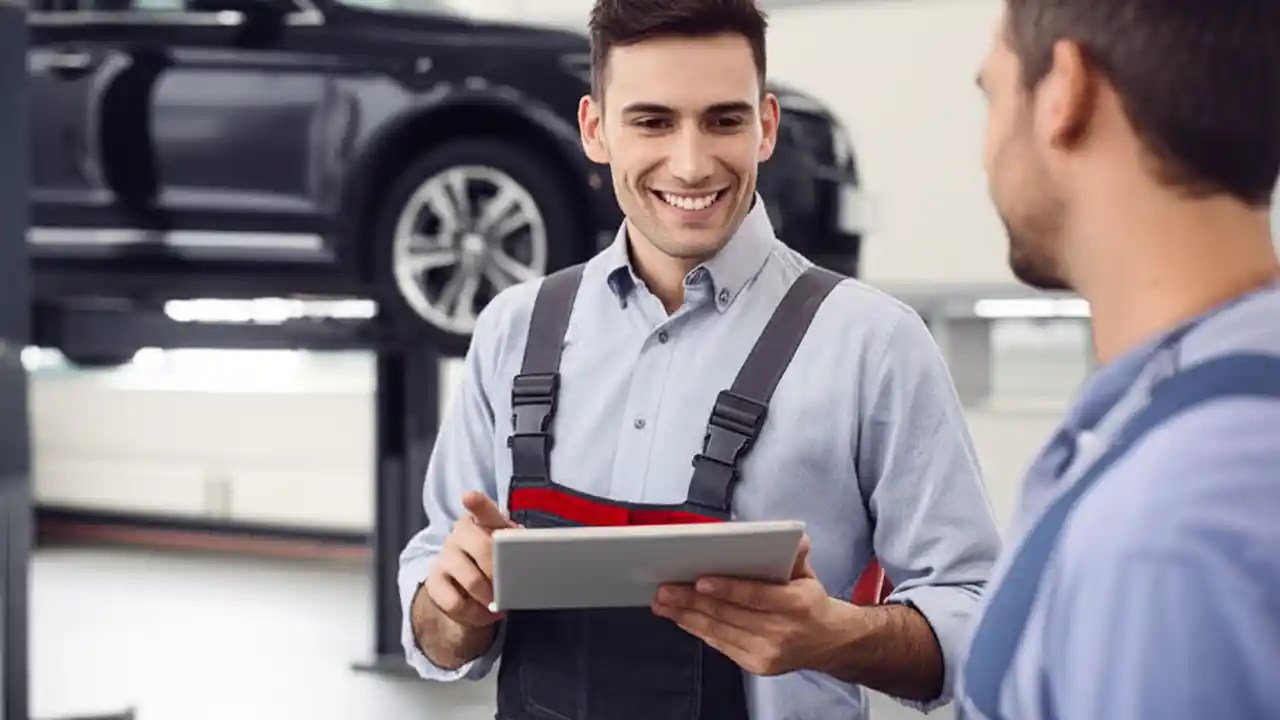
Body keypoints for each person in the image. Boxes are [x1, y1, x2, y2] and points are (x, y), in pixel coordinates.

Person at [398, 1, 1002, 717]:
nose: (690, 164)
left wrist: (838, 636)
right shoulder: (512, 332)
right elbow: (433, 620)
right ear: (596, 129)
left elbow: (978, 626)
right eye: (652, 121)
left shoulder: (873, 346)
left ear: (766, 126)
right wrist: (452, 611)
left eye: (723, 120)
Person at [959, 1, 1280, 719]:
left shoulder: (1170, 528)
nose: (985, 152)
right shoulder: (1198, 426)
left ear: (1066, 91)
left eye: (993, 94)